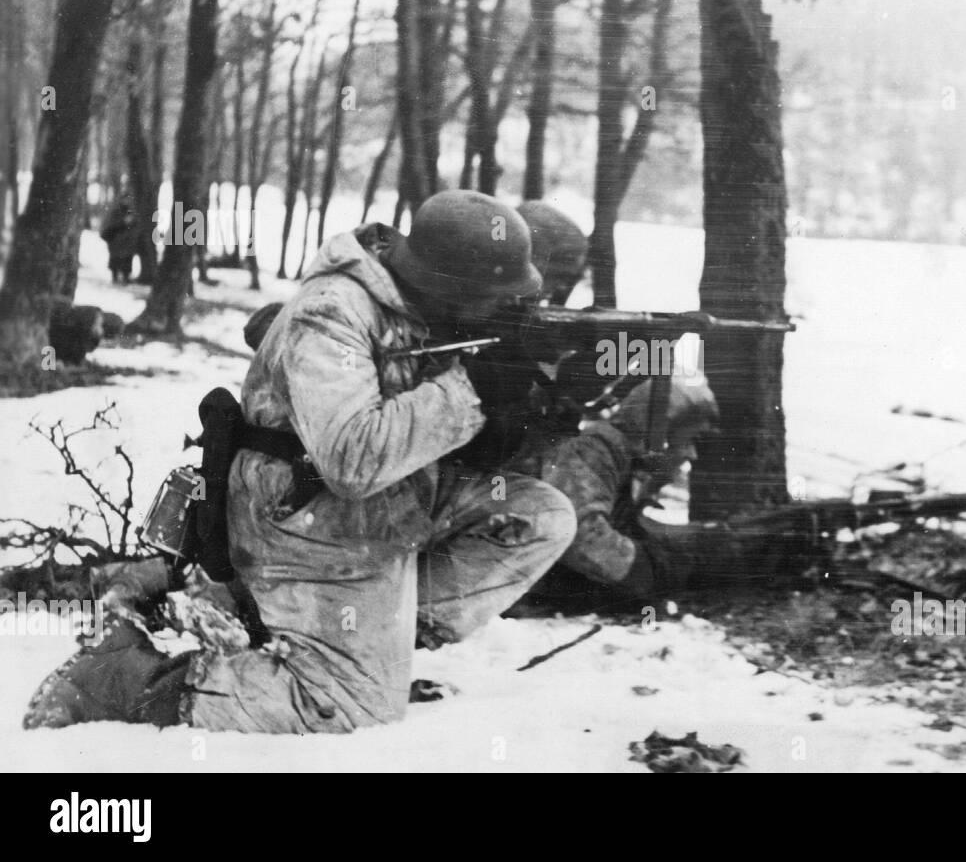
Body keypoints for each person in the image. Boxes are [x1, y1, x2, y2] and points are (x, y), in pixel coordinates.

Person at [24, 190, 577, 733]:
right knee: (349, 707)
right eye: (493, 298)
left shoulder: (425, 311)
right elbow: (351, 459)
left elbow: (426, 423)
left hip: (390, 499)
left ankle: (313, 625)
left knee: (536, 517)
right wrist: (471, 390)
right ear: (447, 284)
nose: (505, 309)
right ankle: (122, 679)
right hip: (301, 508)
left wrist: (531, 412)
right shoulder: (332, 313)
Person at [517, 375, 794, 600]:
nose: (692, 455)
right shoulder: (591, 453)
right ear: (659, 435)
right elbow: (582, 539)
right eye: (689, 440)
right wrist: (657, 571)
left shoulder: (622, 463)